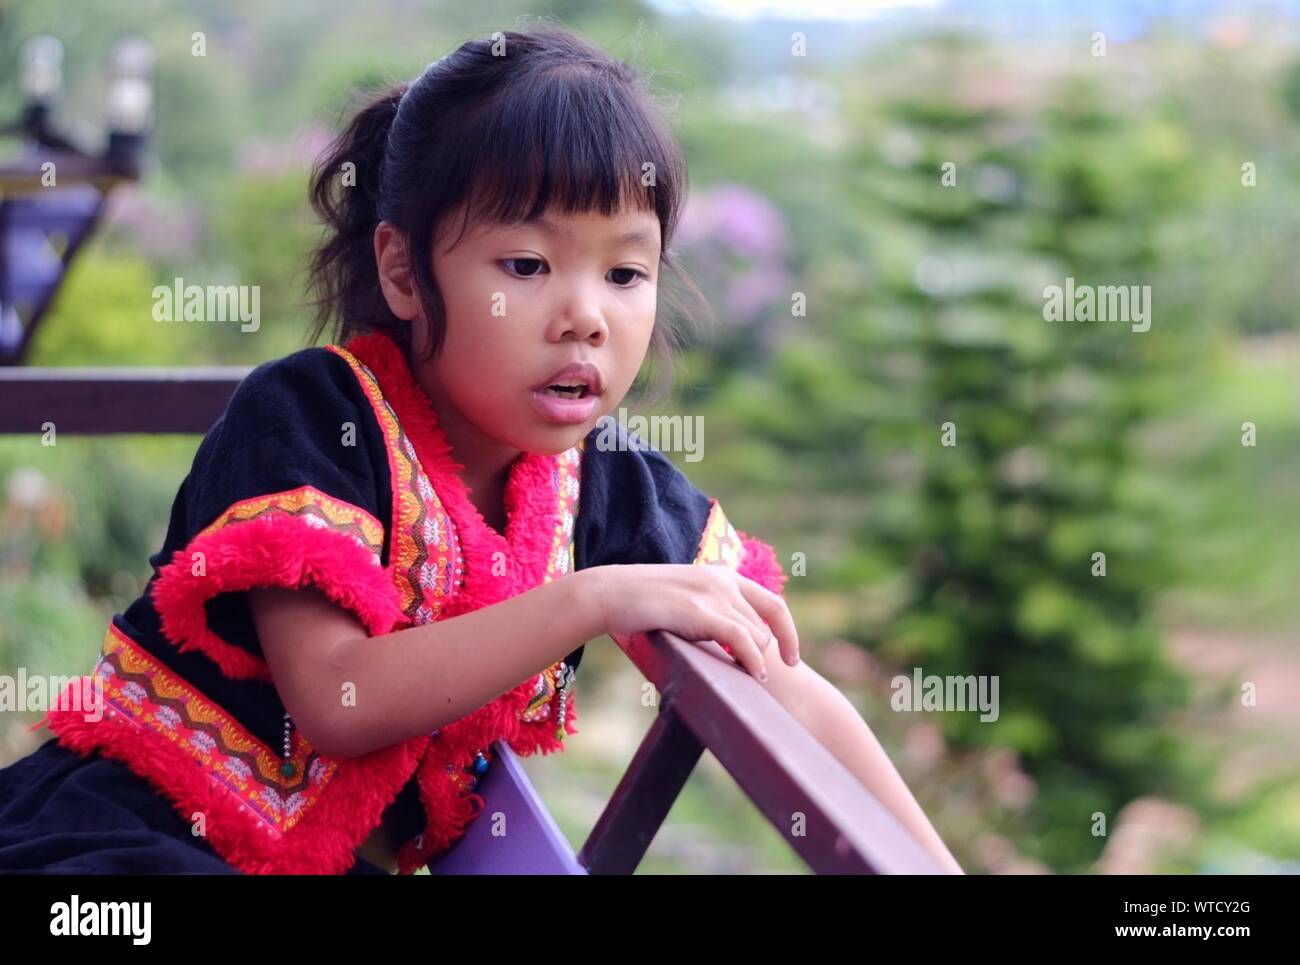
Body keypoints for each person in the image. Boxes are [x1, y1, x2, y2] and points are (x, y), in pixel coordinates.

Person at [0, 26, 961, 875]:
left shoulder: (606, 481)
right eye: (528, 266)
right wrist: (595, 595)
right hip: (135, 836)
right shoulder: (308, 416)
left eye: (626, 271)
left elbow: (785, 685)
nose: (585, 315)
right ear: (404, 271)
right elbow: (337, 696)